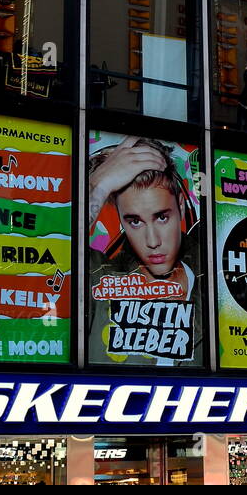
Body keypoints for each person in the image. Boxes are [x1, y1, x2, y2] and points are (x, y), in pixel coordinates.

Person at [87, 136, 201, 366]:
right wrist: (97, 187)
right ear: (121, 219)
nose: (152, 241)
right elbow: (48, 260)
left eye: (161, 217)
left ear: (180, 206)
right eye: (135, 222)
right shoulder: (98, 279)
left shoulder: (213, 276)